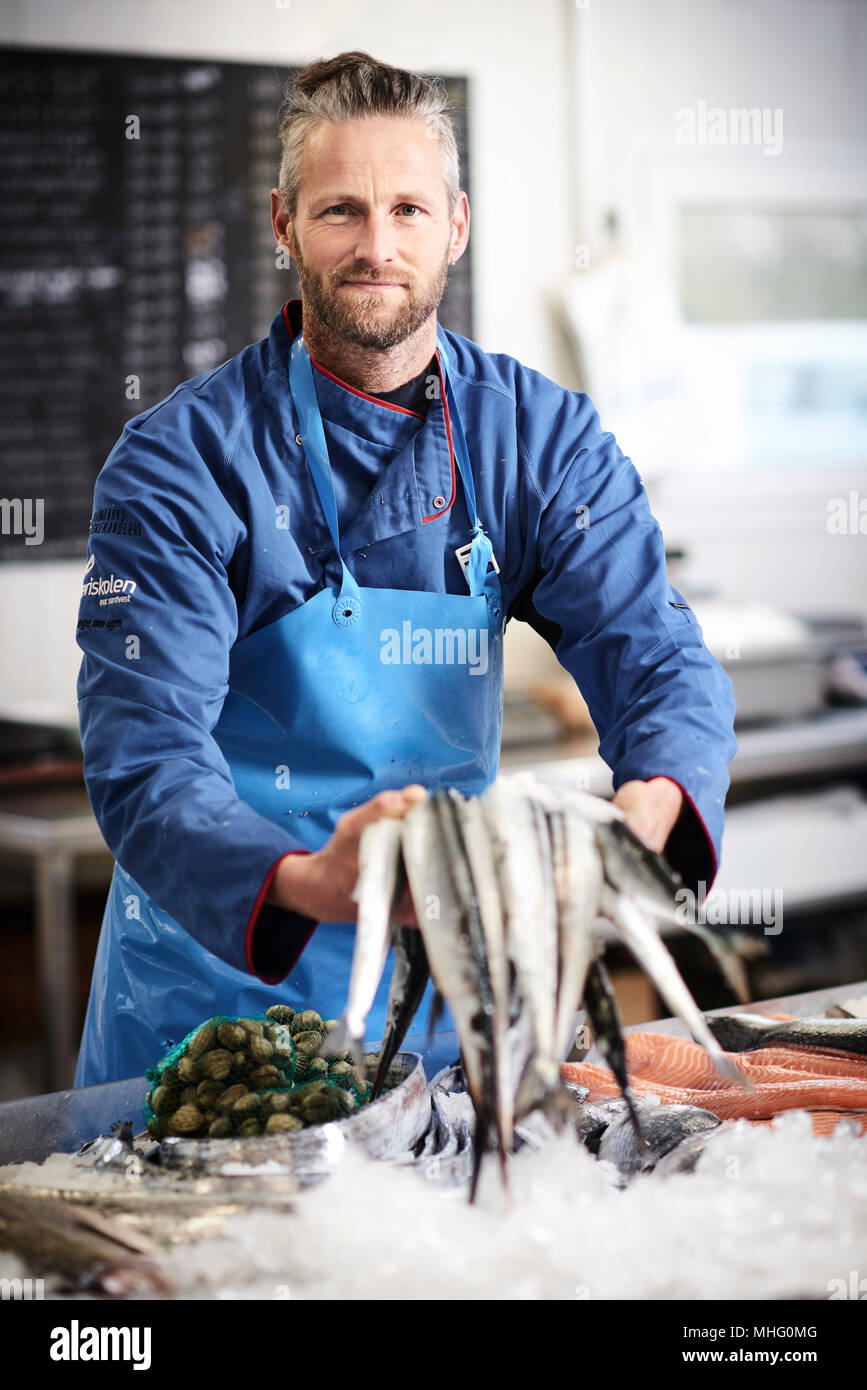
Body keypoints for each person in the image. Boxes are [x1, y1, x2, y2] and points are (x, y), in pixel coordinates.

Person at [74, 51, 737, 1087]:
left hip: (442, 1010)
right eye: (341, 211)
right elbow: (145, 756)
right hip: (214, 1016)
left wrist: (641, 816)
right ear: (284, 223)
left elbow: (655, 653)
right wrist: (309, 877)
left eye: (409, 211)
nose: (377, 246)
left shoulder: (539, 438)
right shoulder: (181, 461)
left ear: (455, 226)